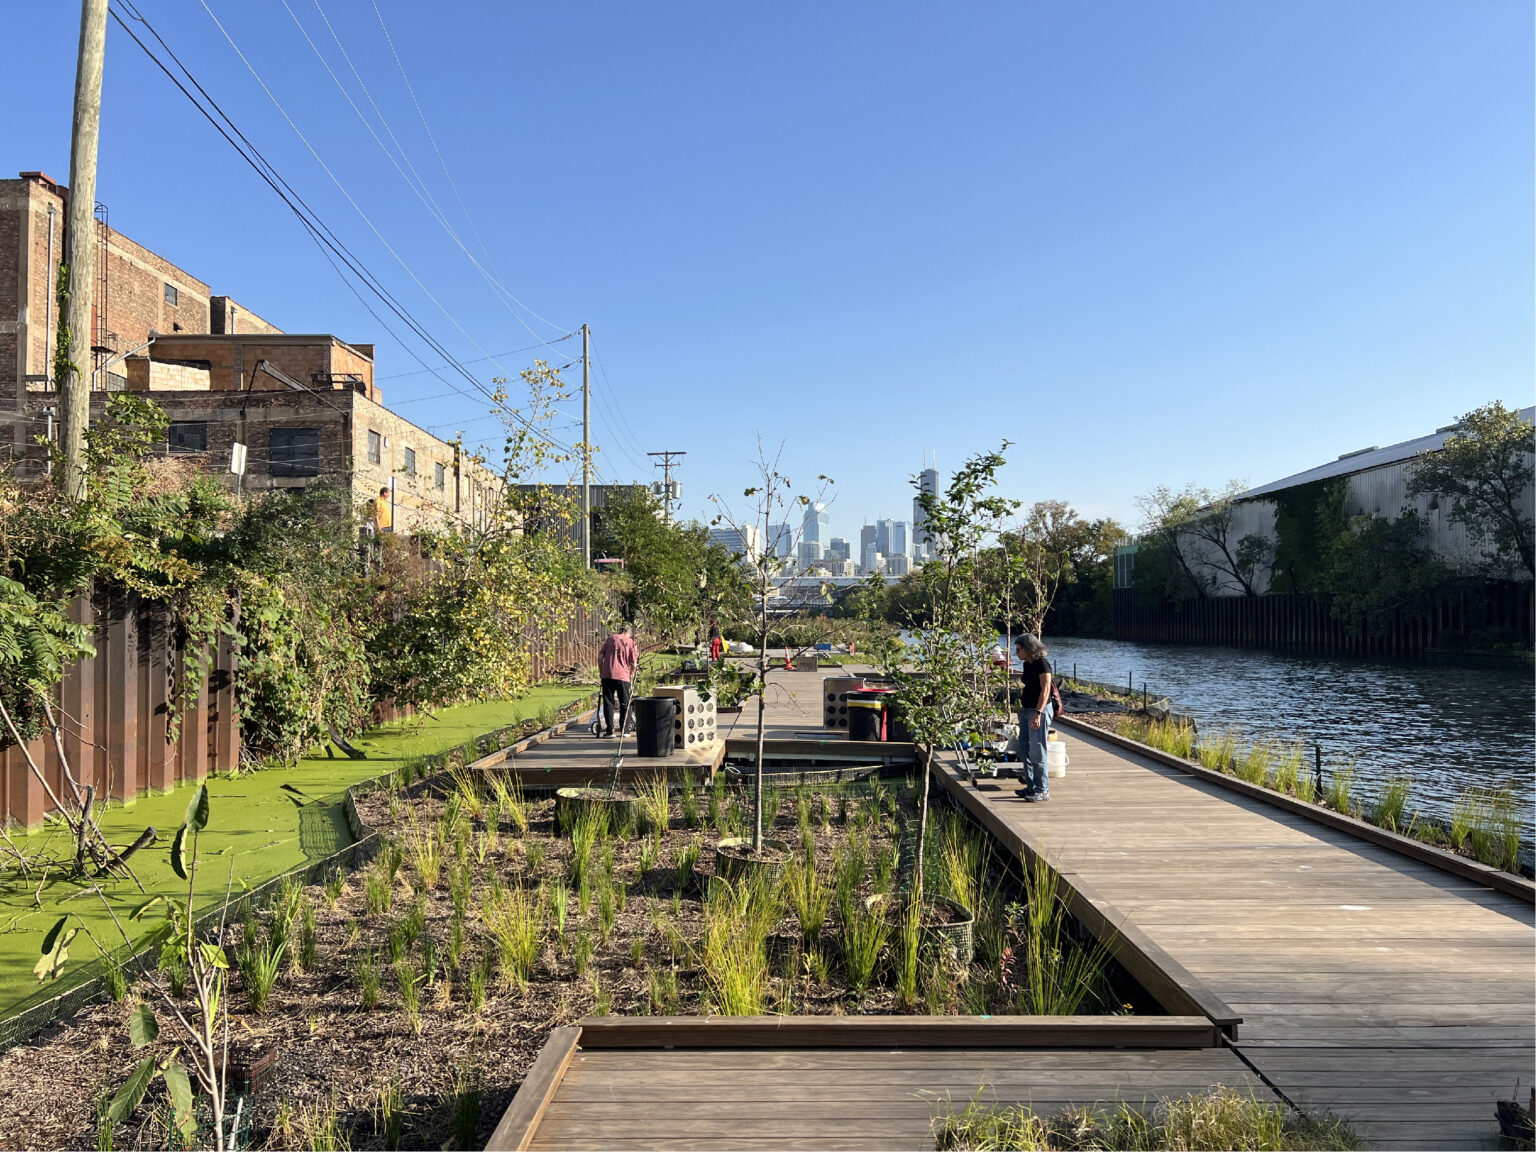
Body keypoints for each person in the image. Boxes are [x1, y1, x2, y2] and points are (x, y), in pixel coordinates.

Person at [1015, 633, 1053, 802]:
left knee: (1038, 750)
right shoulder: (1027, 664)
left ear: (1028, 648)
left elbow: (1045, 690)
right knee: (1023, 749)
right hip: (1026, 709)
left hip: (1039, 711)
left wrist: (1038, 713)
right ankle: (1031, 787)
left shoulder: (1042, 664)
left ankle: (1042, 790)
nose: (1016, 653)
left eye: (1018, 649)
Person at [597, 622, 639, 738]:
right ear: (628, 632)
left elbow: (600, 657)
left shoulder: (610, 639)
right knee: (625, 703)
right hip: (623, 676)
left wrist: (601, 672)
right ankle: (625, 730)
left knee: (608, 703)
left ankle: (610, 731)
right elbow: (634, 663)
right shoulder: (630, 642)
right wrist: (631, 673)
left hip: (607, 675)